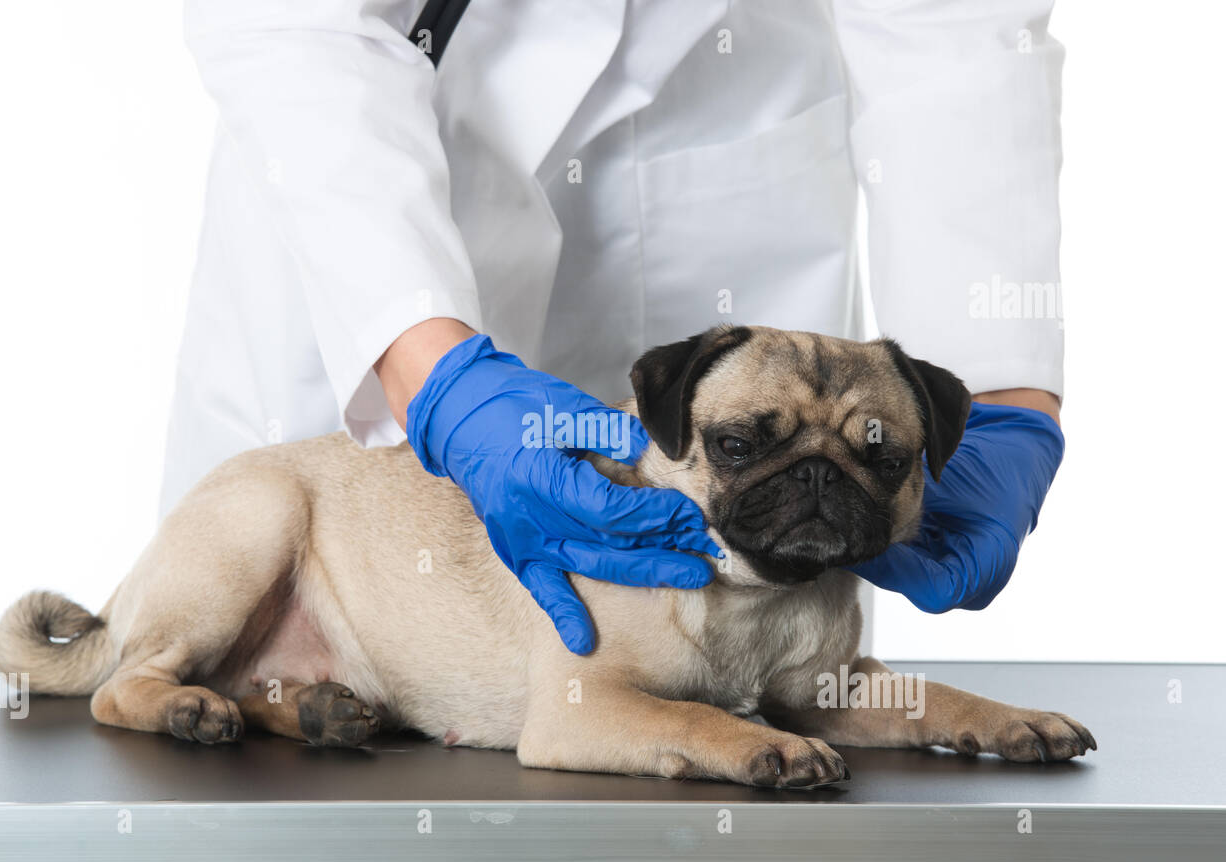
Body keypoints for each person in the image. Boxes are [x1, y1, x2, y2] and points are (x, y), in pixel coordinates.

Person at [164, 0, 1066, 655]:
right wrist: (429, 372)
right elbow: (288, 21)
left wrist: (999, 389)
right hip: (363, 189)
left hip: (727, 137)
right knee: (291, 700)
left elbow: (947, 23)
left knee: (746, 726)